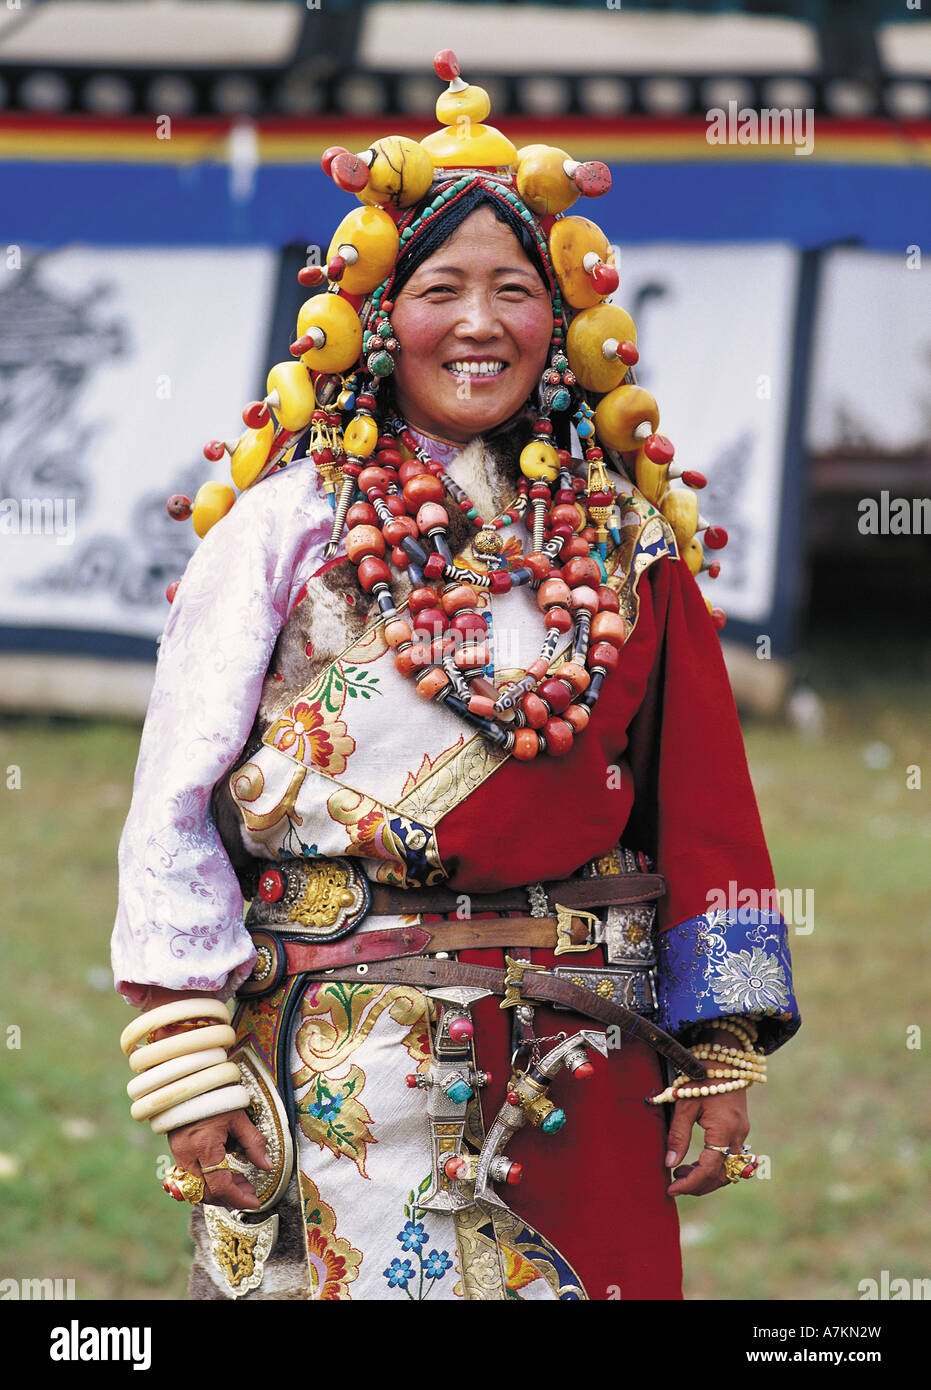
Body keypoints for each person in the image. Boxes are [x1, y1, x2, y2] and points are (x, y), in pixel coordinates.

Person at [112, 52, 799, 1302]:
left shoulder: (630, 544)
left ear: (562, 318)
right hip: (339, 1062)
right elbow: (173, 798)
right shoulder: (282, 529)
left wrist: (723, 1047)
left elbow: (705, 811)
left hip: (583, 1057)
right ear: (381, 316)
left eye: (513, 291)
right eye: (441, 289)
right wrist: (186, 1051)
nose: (479, 325)